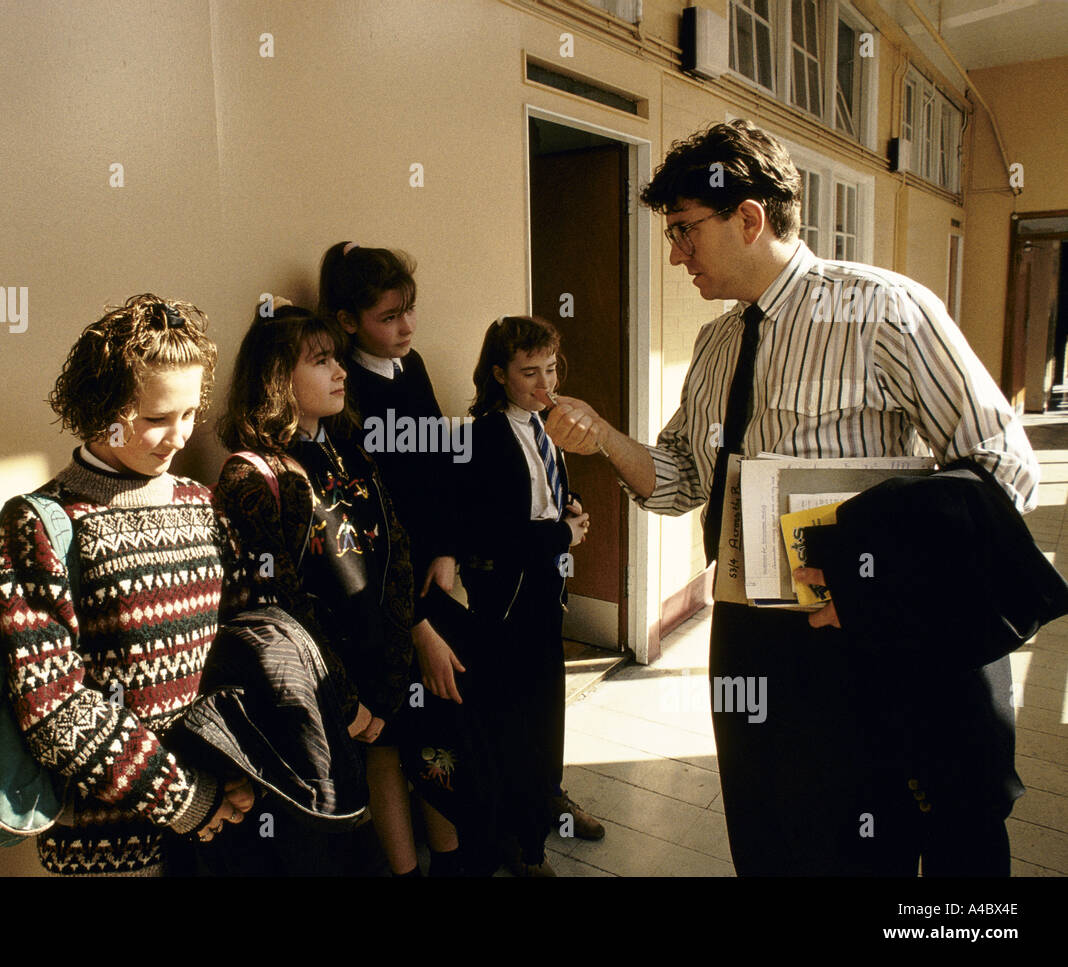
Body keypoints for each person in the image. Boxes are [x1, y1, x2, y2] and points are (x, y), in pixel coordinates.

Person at [540, 119, 1039, 875]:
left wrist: (885, 584)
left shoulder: (881, 310)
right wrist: (608, 438)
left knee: (874, 840)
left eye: (684, 231)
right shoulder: (716, 345)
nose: (674, 254)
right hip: (748, 636)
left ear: (749, 217)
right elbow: (680, 478)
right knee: (774, 833)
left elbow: (1004, 462)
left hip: (862, 636)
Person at [0, 293, 253, 876]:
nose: (180, 437)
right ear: (100, 406)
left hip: (227, 828)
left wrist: (243, 772)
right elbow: (52, 706)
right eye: (157, 419)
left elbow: (245, 643)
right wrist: (184, 798)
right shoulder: (39, 523)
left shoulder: (202, 505)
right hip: (107, 847)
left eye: (189, 414)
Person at [213, 300, 423, 875]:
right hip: (320, 688)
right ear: (278, 376)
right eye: (322, 361)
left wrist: (393, 667)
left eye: (337, 359)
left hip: (379, 662)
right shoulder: (251, 474)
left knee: (398, 767)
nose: (341, 371)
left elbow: (396, 553)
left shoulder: (348, 448)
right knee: (330, 825)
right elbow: (279, 599)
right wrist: (348, 700)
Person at [319, 241, 480, 874]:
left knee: (439, 725)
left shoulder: (410, 369)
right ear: (349, 321)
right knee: (387, 740)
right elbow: (365, 523)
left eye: (409, 311)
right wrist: (413, 617)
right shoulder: (344, 392)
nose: (407, 327)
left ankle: (451, 856)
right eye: (389, 317)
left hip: (430, 575)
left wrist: (447, 550)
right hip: (381, 595)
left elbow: (437, 467)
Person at [459, 315, 595, 877]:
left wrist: (574, 509)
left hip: (547, 586)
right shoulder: (484, 435)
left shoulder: (548, 424)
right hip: (506, 598)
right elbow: (493, 534)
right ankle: (523, 846)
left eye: (552, 370)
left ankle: (551, 795)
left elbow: (549, 487)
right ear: (498, 375)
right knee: (514, 720)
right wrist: (562, 533)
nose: (546, 386)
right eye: (530, 374)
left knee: (547, 706)